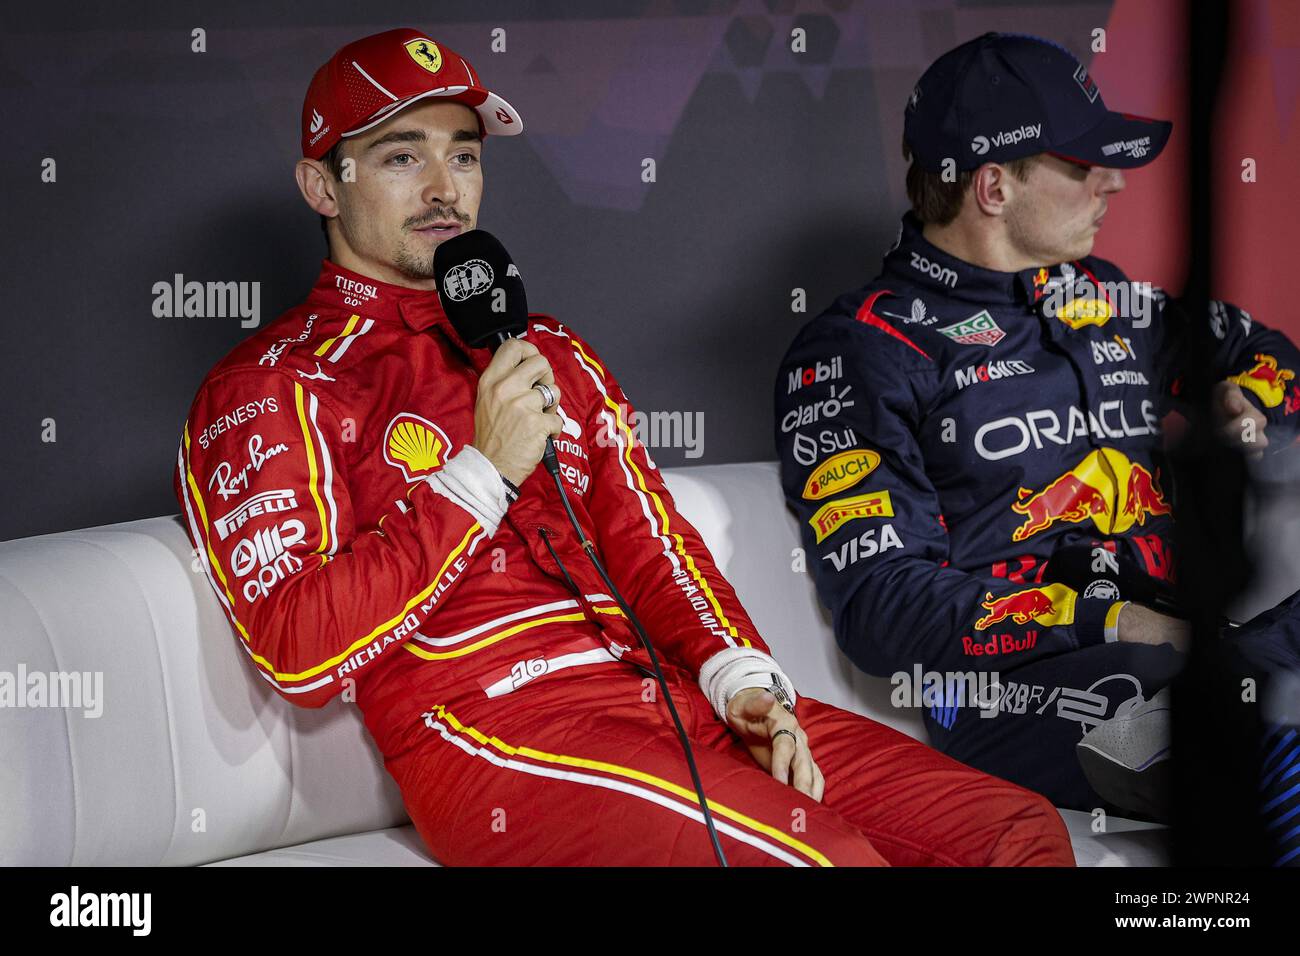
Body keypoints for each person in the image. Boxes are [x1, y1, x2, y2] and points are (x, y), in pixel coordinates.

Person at [174, 27, 1073, 866]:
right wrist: (481, 475)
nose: (445, 187)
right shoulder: (270, 386)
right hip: (493, 727)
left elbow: (652, 542)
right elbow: (295, 649)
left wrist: (740, 681)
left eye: (465, 155)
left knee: (1014, 832)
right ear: (322, 187)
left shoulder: (546, 346)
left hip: (666, 697)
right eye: (403, 156)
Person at [775, 32, 1300, 813]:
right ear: (994, 187)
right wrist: (1114, 620)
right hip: (1016, 692)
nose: (1111, 186)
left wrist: (1249, 397)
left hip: (1200, 645)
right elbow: (882, 604)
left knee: (1252, 690)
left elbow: (1268, 354)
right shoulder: (860, 348)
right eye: (1084, 167)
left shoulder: (1106, 298)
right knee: (1247, 713)